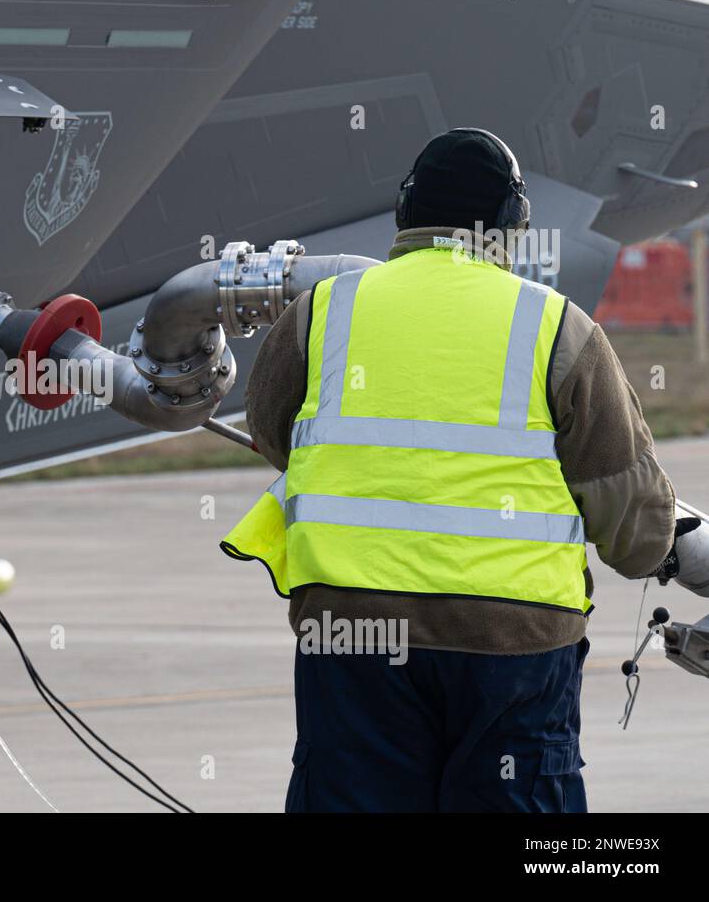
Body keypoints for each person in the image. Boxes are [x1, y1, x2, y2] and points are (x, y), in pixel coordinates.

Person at [222, 127, 706, 812]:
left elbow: (276, 436)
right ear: (513, 226)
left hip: (353, 633)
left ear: (404, 214)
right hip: (513, 642)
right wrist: (662, 548)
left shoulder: (323, 312)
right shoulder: (558, 329)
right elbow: (630, 522)